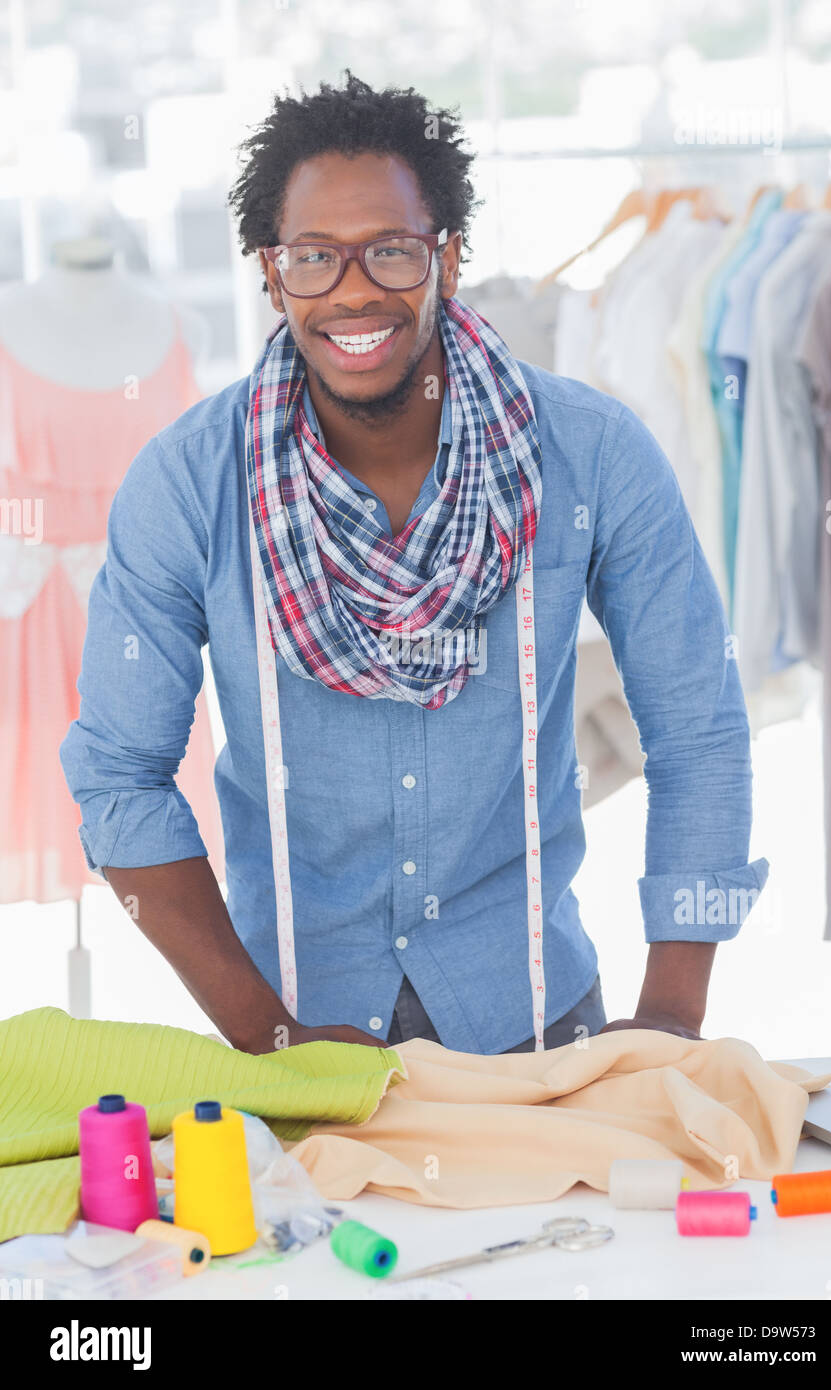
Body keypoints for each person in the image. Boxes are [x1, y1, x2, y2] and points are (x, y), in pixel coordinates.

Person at [60, 70, 768, 1056]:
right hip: (291, 1034)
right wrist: (269, 1034)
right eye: (313, 256)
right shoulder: (187, 483)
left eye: (389, 250)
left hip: (542, 1029)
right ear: (270, 273)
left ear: (447, 254)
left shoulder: (591, 454)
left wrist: (668, 1022)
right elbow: (121, 778)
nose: (353, 289)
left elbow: (698, 736)